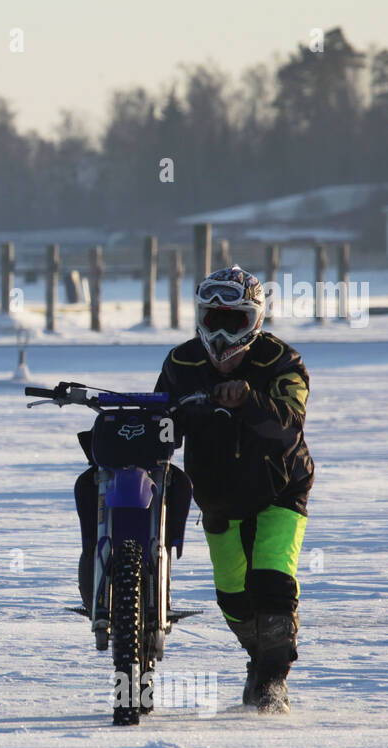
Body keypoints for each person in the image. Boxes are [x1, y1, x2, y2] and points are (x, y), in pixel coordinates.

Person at [153, 265, 314, 713]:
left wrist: (248, 401)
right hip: (218, 494)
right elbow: (162, 425)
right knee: (233, 596)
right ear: (200, 319)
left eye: (234, 321)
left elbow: (290, 427)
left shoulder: (283, 361)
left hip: (280, 487)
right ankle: (259, 660)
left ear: (255, 322)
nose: (222, 334)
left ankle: (273, 682)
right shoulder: (181, 364)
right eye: (213, 320)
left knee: (272, 584)